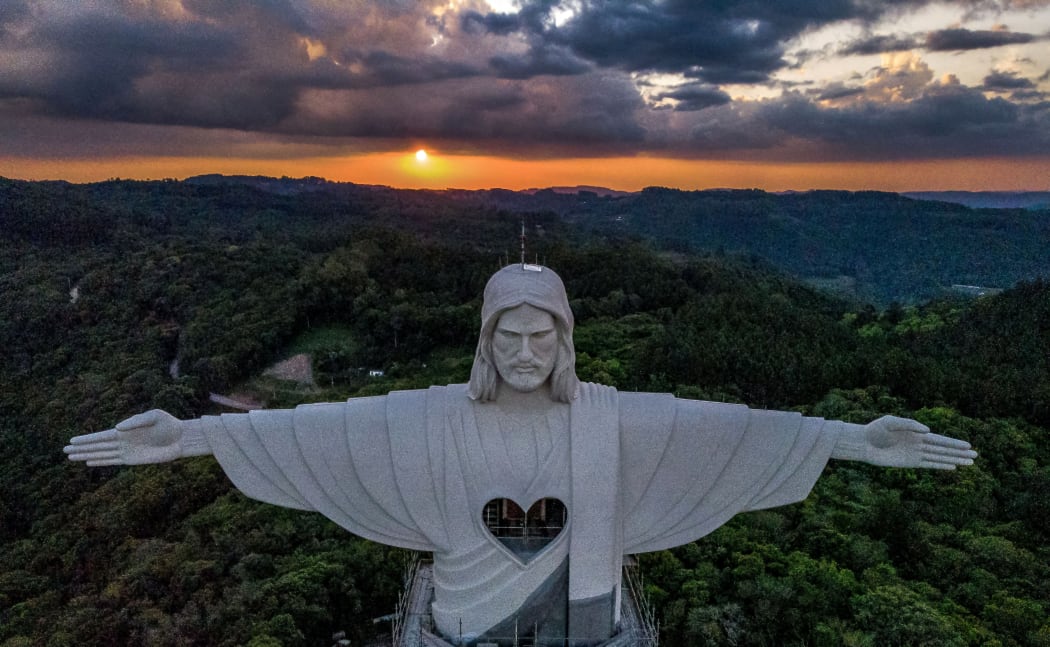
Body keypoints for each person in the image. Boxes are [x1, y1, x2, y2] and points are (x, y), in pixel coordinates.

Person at [66, 264, 976, 647]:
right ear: (486, 342)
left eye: (546, 335)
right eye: (512, 336)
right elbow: (319, 429)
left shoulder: (615, 420)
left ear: (568, 341)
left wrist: (855, 439)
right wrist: (189, 435)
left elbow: (733, 428)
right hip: (456, 621)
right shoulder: (428, 416)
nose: (529, 352)